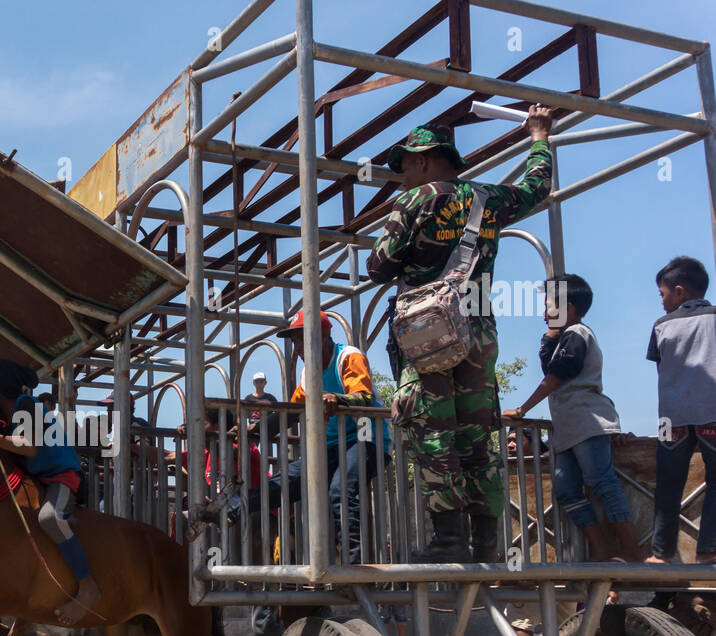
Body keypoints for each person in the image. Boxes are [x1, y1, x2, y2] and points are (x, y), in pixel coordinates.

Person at [366, 106, 554, 562]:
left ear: (426, 160)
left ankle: (448, 538)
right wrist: (539, 135)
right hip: (478, 326)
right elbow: (537, 186)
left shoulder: (413, 203)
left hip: (428, 331)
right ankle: (487, 543)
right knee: (476, 439)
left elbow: (378, 266)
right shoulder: (488, 198)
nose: (403, 175)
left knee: (434, 430)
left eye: (406, 164)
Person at [504, 274, 643, 562]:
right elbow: (550, 366)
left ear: (568, 308)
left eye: (549, 306)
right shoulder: (565, 336)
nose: (544, 313)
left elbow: (555, 377)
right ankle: (600, 549)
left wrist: (522, 410)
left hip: (587, 421)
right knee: (566, 489)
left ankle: (632, 552)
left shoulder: (578, 333)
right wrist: (548, 337)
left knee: (601, 482)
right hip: (568, 429)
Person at [0, 359, 100, 625]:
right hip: (37, 477)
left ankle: (88, 588)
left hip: (61, 475)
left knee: (49, 518)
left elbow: (29, 447)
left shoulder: (26, 405)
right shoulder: (6, 414)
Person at [275, 310, 391, 564]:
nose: (298, 347)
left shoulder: (348, 357)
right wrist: (250, 430)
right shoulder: (308, 375)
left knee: (340, 490)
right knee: (279, 484)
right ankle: (227, 509)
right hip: (330, 448)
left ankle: (353, 567)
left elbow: (364, 396)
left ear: (322, 338)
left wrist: (337, 398)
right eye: (295, 341)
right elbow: (291, 412)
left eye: (302, 339)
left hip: (366, 439)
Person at [646, 255, 716, 564]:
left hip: (669, 418)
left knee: (668, 485)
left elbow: (661, 370)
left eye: (662, 294)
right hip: (711, 411)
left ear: (679, 291)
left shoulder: (661, 325)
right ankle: (708, 551)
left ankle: (661, 553)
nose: (661, 302)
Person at [242, 371, 280, 445]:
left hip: (267, 428)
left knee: (267, 451)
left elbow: (278, 412)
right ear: (254, 383)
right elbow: (244, 414)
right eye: (257, 382)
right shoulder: (248, 398)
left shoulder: (270, 398)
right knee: (252, 449)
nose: (259, 384)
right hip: (253, 428)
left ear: (265, 383)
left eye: (261, 381)